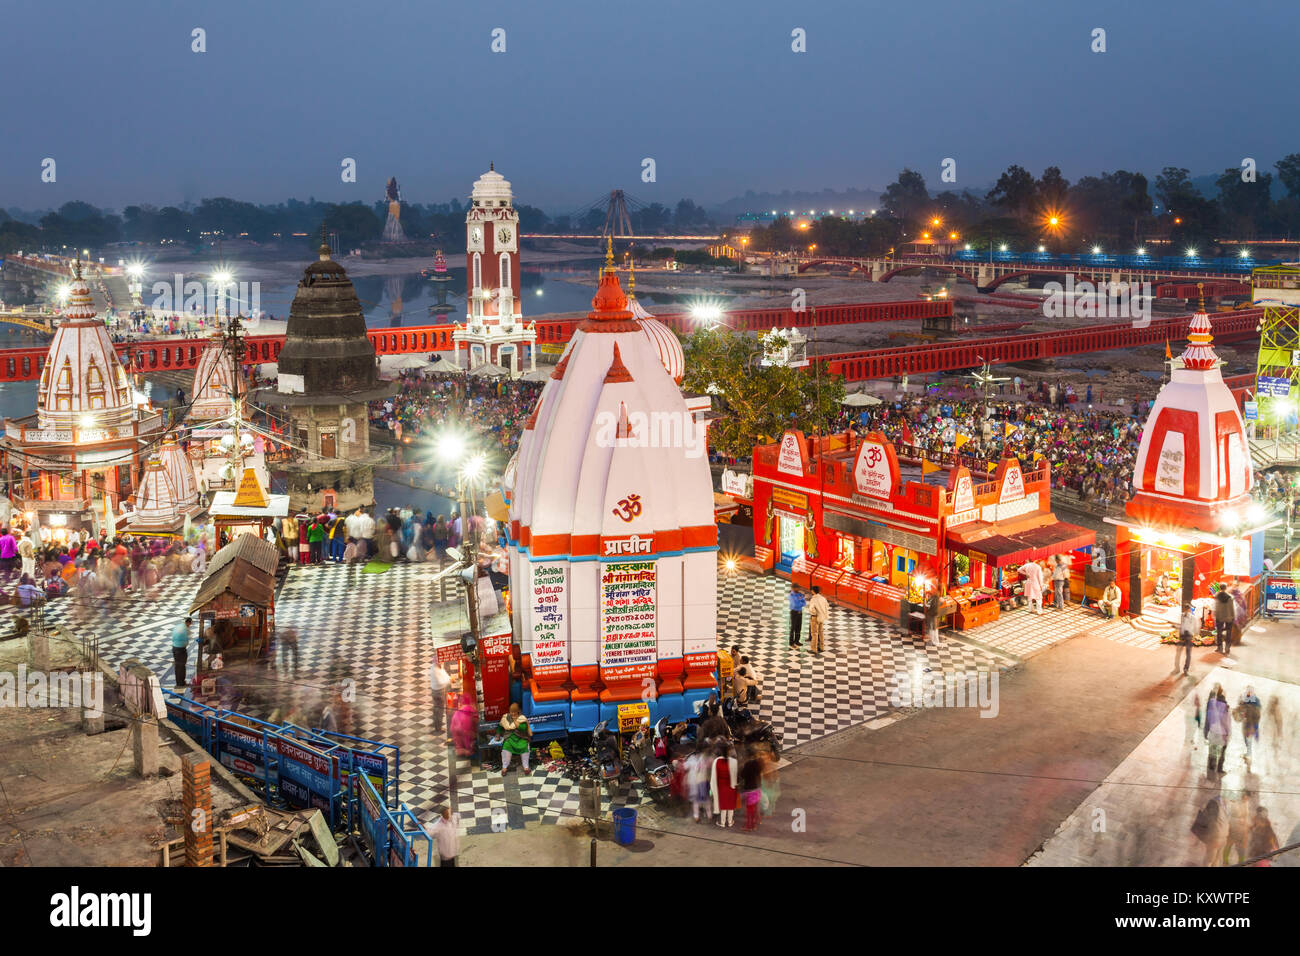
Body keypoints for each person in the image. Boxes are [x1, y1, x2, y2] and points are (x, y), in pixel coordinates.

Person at [709, 744, 739, 829]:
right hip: (731, 787)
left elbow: (714, 776)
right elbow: (735, 776)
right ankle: (730, 822)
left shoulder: (717, 761)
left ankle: (722, 823)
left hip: (721, 787)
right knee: (730, 805)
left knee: (723, 805)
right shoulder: (734, 761)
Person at [1204, 684, 1230, 776]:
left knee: (1212, 752)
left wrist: (1205, 732)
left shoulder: (1211, 702)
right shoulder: (1225, 706)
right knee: (1222, 751)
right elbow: (1226, 722)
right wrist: (1228, 735)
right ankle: (1219, 769)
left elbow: (1208, 718)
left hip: (1212, 731)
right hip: (1221, 733)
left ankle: (1210, 769)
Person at [499, 703, 531, 775]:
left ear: (518, 711)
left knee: (525, 746)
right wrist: (498, 734)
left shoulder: (522, 718)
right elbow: (500, 726)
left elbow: (522, 729)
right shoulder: (506, 717)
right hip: (510, 738)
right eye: (511, 712)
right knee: (506, 747)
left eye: (514, 712)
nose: (513, 713)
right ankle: (504, 767)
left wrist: (515, 721)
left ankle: (526, 767)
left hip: (521, 738)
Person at [739, 750, 764, 831]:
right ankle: (758, 820)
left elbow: (742, 775)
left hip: (750, 788)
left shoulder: (748, 764)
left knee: (750, 809)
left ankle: (750, 826)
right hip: (758, 787)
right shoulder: (759, 762)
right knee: (756, 806)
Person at [1237, 686, 1261, 766]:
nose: (1248, 693)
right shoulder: (1245, 699)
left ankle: (1249, 753)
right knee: (1246, 737)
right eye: (1247, 691)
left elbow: (1258, 712)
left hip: (1250, 723)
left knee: (1248, 738)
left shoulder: (1256, 700)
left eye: (1249, 691)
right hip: (1247, 722)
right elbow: (1240, 706)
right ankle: (1248, 751)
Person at [686, 749, 711, 823]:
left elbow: (685, 767)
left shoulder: (692, 759)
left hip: (697, 783)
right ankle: (708, 815)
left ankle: (697, 816)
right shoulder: (703, 759)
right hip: (702, 783)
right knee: (706, 800)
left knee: (697, 801)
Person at [429, 657, 451, 739]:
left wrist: (449, 678)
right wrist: (449, 681)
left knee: (437, 709)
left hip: (440, 691)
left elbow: (444, 675)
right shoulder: (434, 670)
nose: (442, 662)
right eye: (440, 661)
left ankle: (437, 724)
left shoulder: (439, 667)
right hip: (438, 692)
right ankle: (438, 728)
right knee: (439, 710)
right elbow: (440, 682)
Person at [807, 584, 830, 654]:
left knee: (814, 633)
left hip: (815, 617)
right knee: (821, 632)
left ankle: (814, 649)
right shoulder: (823, 598)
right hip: (822, 618)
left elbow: (811, 609)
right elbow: (827, 606)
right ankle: (822, 647)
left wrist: (814, 613)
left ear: (813, 591)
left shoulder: (813, 599)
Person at [172, 616, 193, 690]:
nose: (189, 626)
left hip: (174, 648)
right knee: (182, 666)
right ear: (188, 622)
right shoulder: (185, 629)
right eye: (190, 624)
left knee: (178, 666)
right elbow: (190, 638)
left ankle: (179, 682)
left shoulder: (178, 626)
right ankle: (181, 683)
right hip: (181, 650)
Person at [1175, 604, 1196, 676]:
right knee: (1178, 653)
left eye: (1188, 609)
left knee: (1188, 654)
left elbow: (1195, 627)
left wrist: (1193, 634)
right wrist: (1176, 627)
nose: (1187, 611)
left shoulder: (1193, 618)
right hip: (1182, 636)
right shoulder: (1181, 616)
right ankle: (1176, 668)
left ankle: (1186, 669)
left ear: (1189, 610)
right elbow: (1179, 625)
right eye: (1186, 609)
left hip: (1189, 636)